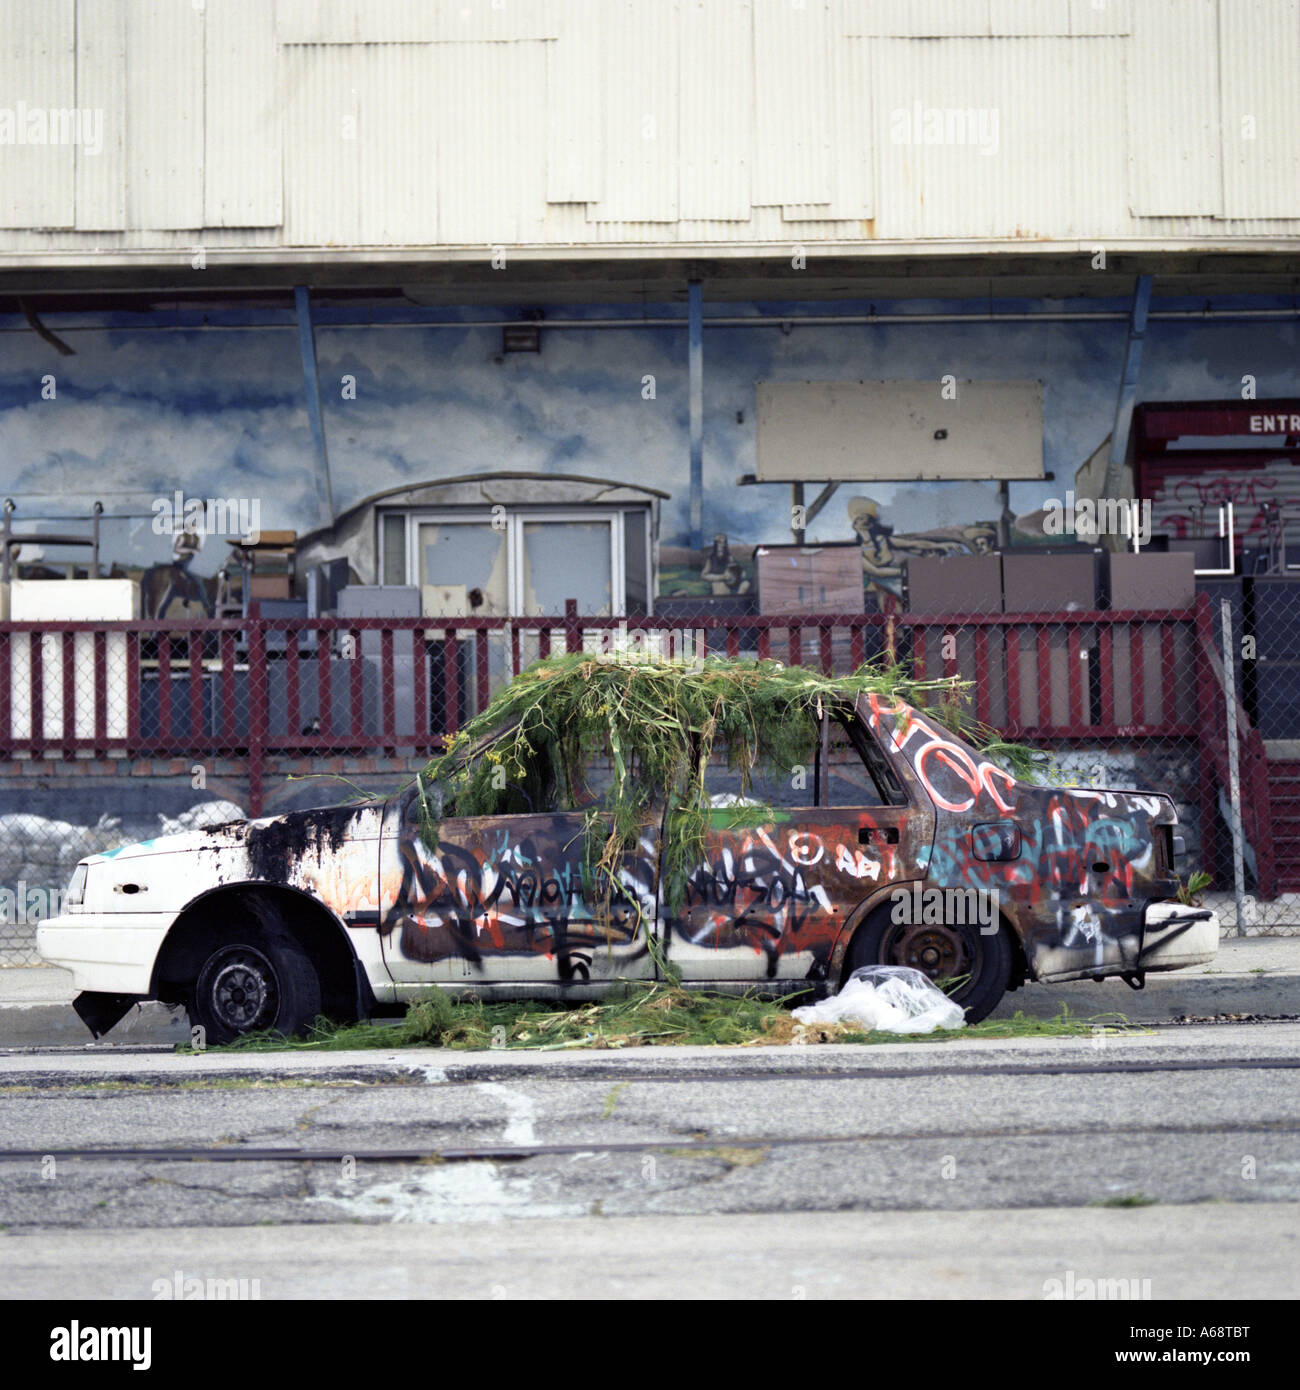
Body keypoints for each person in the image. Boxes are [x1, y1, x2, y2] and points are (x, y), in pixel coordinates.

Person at [155, 516, 210, 617]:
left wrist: (199, 552)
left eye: (195, 525)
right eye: (191, 525)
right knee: (198, 580)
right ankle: (206, 605)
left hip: (191, 561)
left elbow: (198, 550)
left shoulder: (197, 538)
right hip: (182, 561)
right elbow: (177, 549)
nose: (193, 527)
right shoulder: (182, 536)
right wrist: (190, 550)